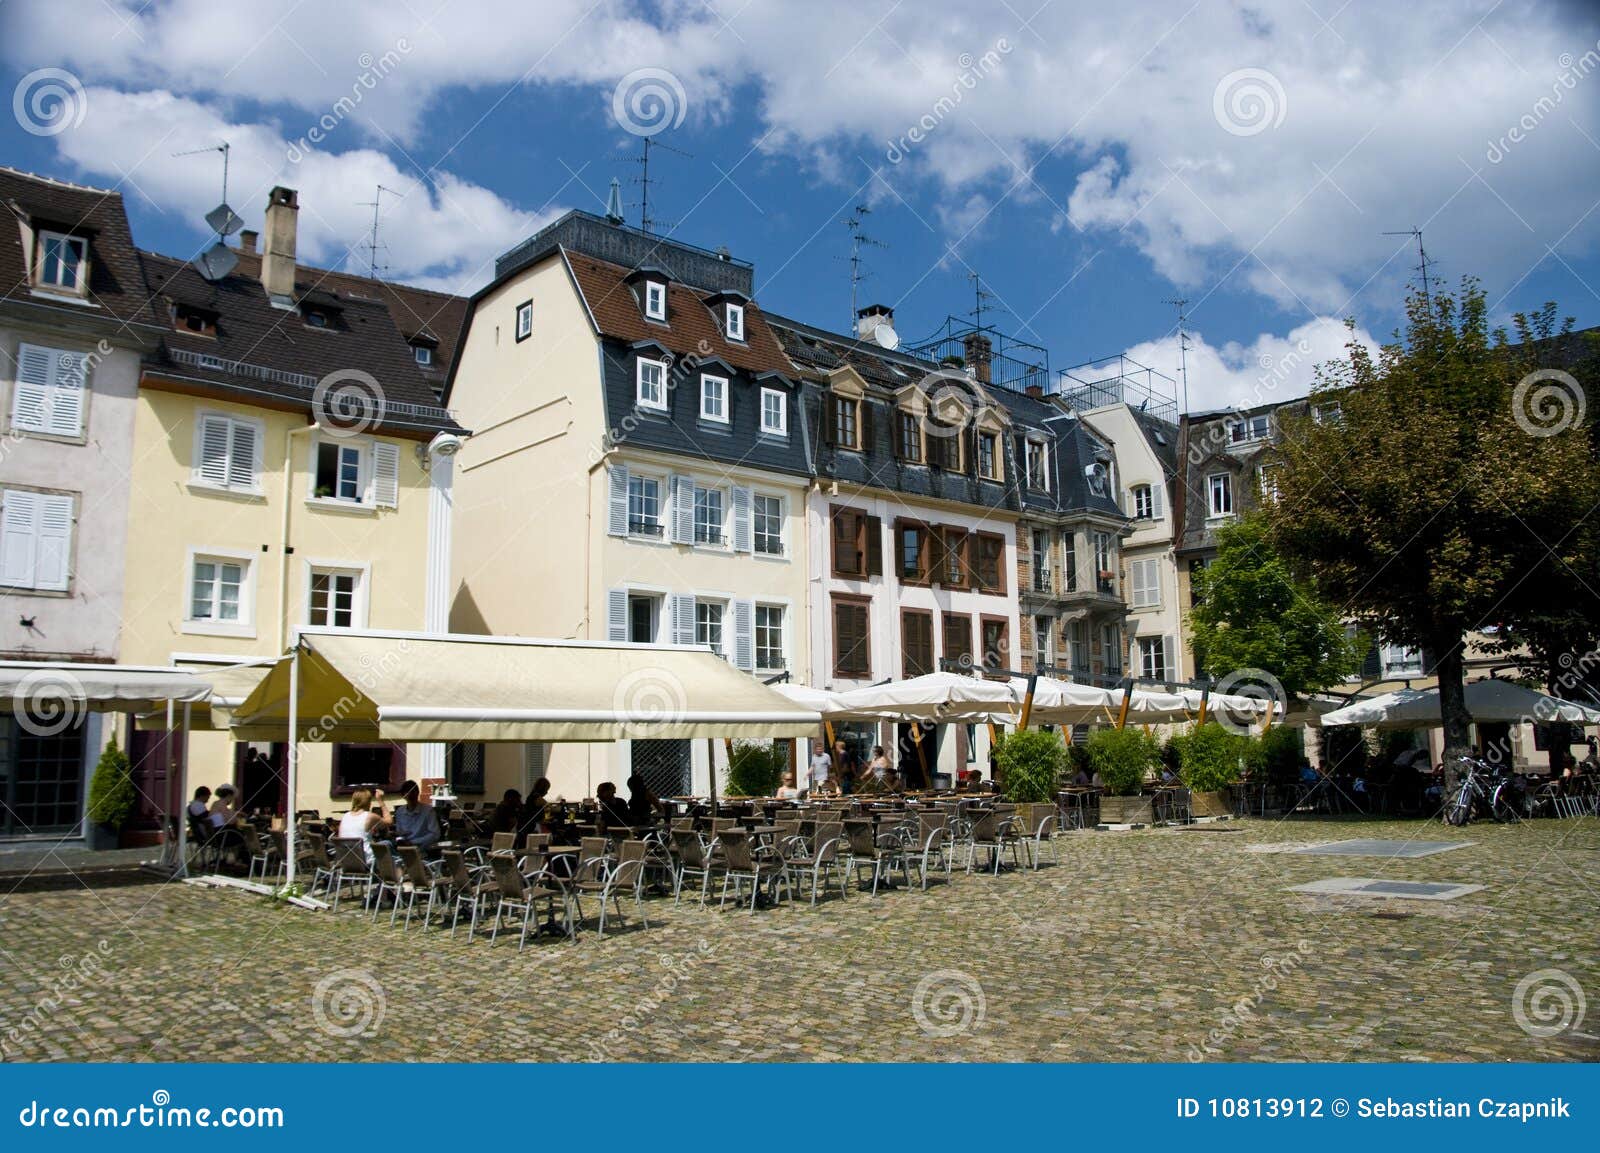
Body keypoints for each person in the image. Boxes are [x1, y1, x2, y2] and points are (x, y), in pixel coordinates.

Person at [392, 780, 441, 856]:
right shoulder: (400, 811)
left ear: (418, 793)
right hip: (404, 849)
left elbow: (435, 834)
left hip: (422, 850)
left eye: (413, 792)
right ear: (403, 795)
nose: (411, 795)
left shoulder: (428, 810)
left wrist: (414, 842)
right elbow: (399, 833)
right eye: (407, 792)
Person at [338, 788, 385, 865]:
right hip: (366, 860)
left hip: (346, 860)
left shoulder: (345, 816)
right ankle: (395, 875)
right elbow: (389, 821)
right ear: (368, 802)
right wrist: (380, 800)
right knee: (388, 844)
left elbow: (340, 837)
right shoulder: (369, 816)